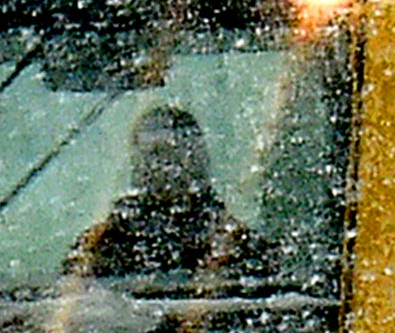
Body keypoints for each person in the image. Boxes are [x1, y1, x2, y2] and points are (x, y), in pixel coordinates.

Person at [65, 103, 269, 283]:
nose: (165, 166)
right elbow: (70, 303)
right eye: (154, 154)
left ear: (199, 161)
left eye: (177, 154)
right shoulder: (101, 245)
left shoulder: (233, 244)